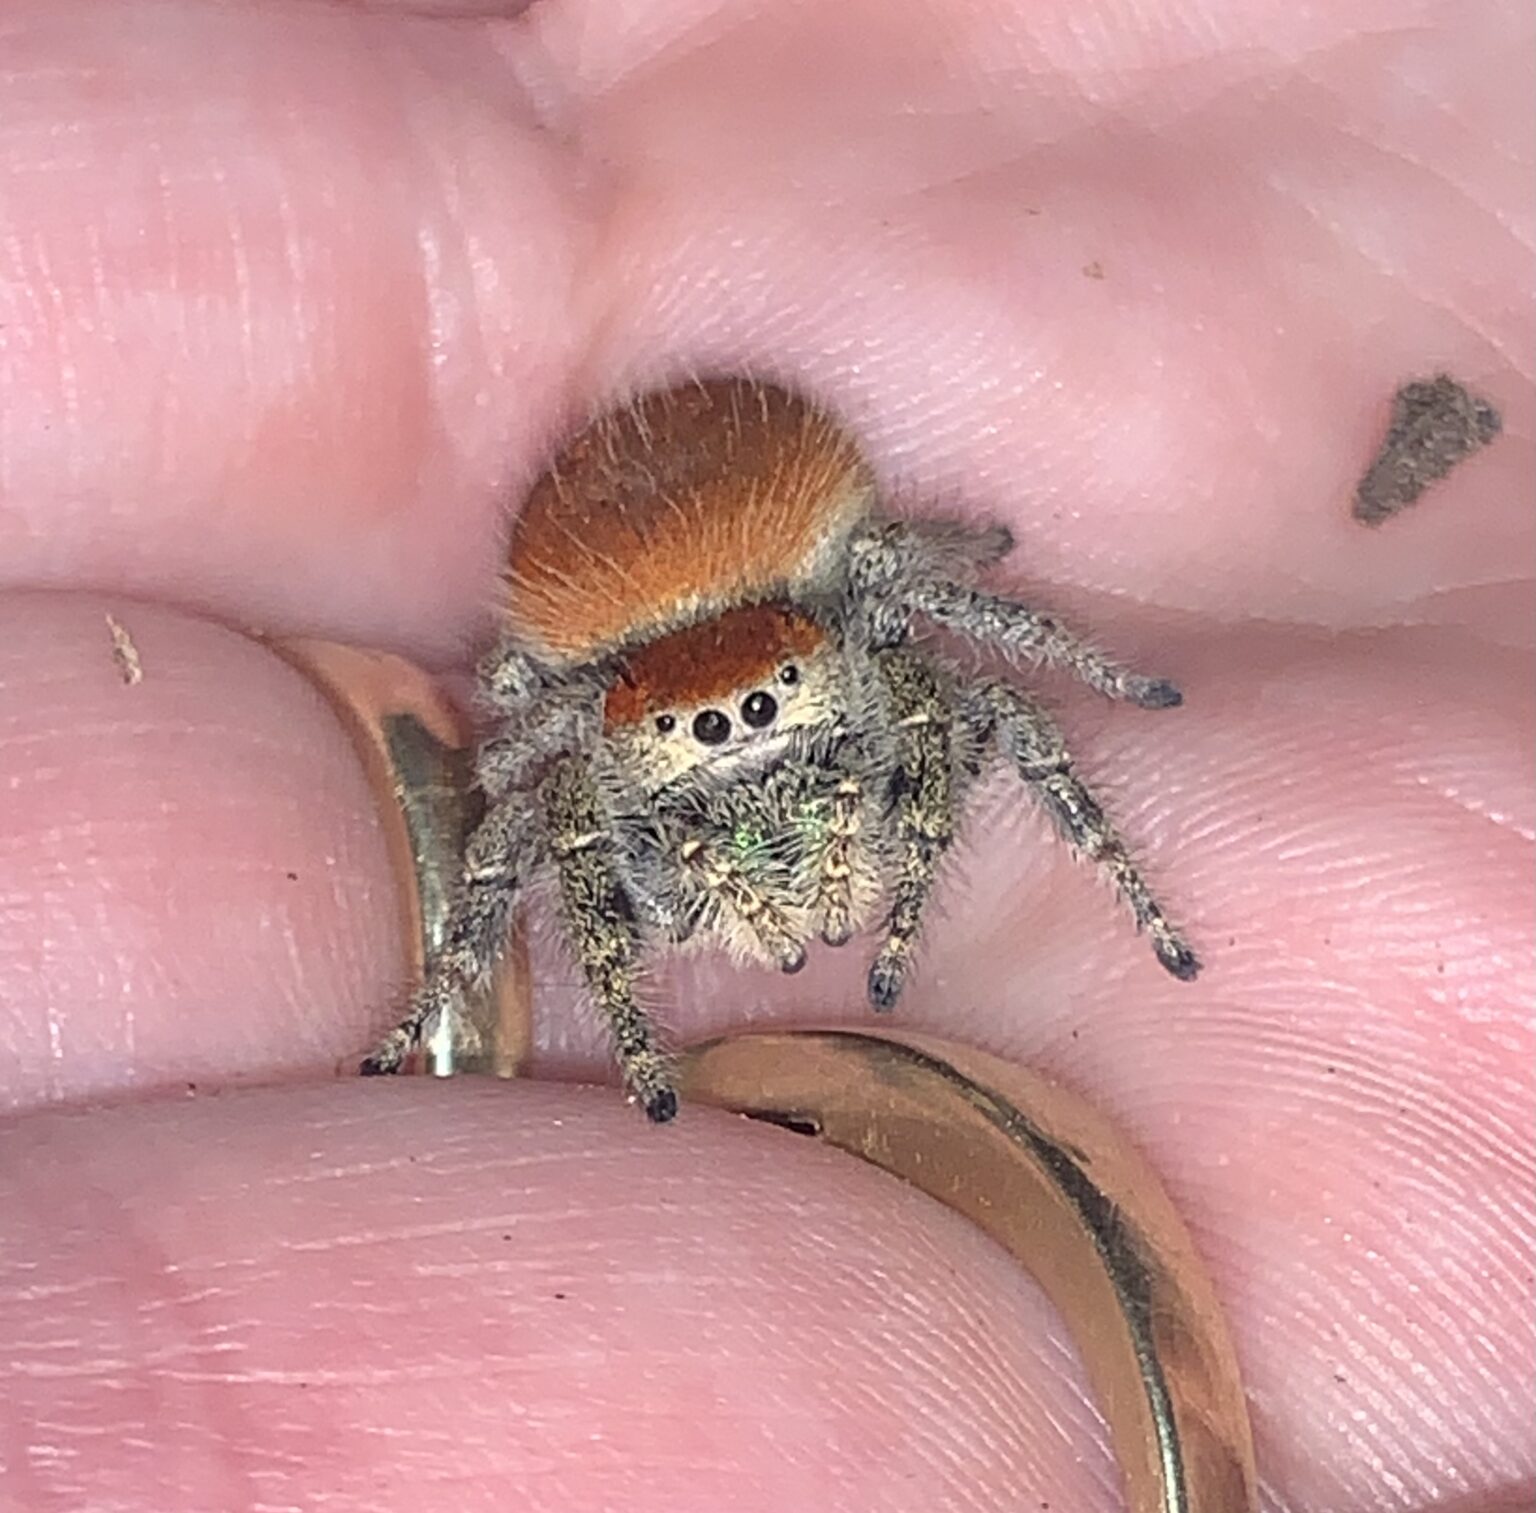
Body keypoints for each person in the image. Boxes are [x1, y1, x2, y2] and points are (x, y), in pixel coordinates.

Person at [0, 2, 1529, 1509]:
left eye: (760, 712)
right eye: (695, 735)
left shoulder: (868, 648)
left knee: (971, 693)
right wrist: (609, 1032)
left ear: (824, 655)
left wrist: (1051, 769)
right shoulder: (595, 755)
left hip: (755, 509)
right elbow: (532, 790)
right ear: (624, 721)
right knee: (546, 817)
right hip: (626, 580)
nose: (739, 750)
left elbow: (973, 671)